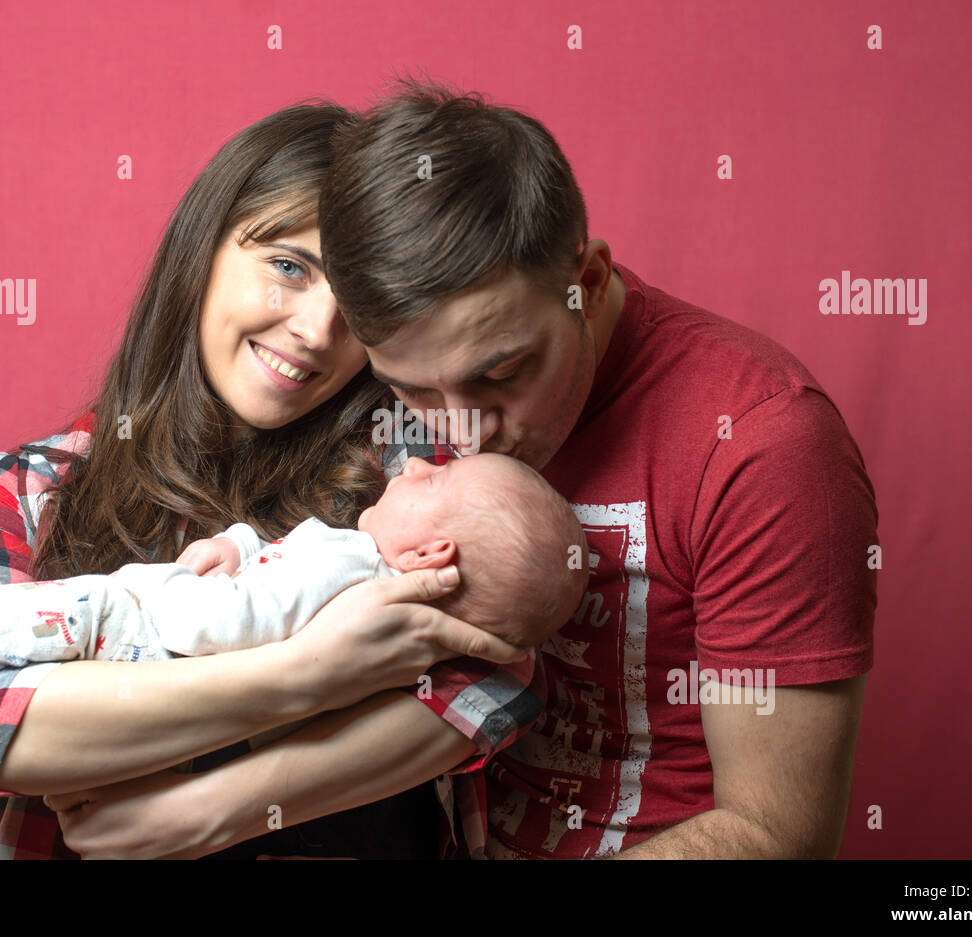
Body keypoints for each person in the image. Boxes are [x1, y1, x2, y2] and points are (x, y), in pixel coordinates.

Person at [43, 79, 877, 860]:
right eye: (411, 387)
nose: (460, 430)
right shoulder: (396, 416)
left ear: (585, 282)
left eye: (502, 373)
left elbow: (775, 832)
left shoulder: (762, 445)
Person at [0, 100, 532, 860]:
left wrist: (216, 809)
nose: (317, 330)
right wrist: (310, 672)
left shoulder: (407, 476)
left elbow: (500, 682)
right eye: (289, 267)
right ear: (203, 248)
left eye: (357, 307)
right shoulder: (25, 490)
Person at [0, 452, 588, 692]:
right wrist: (241, 545)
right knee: (64, 615)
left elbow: (240, 620)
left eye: (435, 483)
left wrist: (163, 589)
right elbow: (282, 571)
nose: (418, 462)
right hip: (176, 642)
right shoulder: (355, 562)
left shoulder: (354, 571)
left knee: (78, 608)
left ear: (432, 558)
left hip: (167, 645)